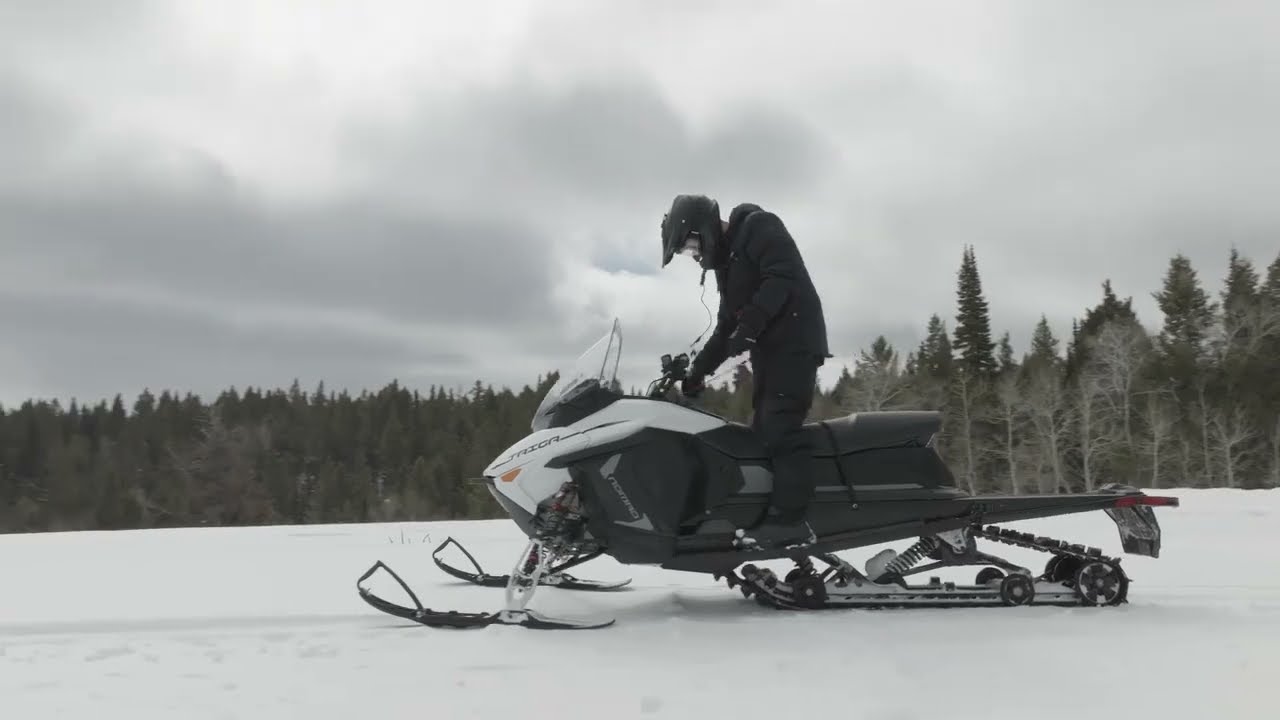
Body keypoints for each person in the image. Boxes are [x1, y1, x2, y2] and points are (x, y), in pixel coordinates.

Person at [660, 194, 830, 549]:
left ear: (703, 227)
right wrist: (696, 373)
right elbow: (726, 327)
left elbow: (782, 277)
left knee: (780, 427)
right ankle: (764, 512)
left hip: (795, 343)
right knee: (761, 431)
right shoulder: (728, 263)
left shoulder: (758, 226)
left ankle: (790, 522)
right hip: (771, 351)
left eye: (692, 245)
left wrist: (750, 324)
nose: (695, 255)